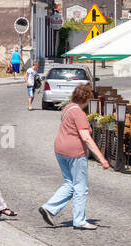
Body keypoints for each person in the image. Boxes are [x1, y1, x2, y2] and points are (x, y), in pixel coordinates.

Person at [39, 84, 109, 230]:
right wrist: (101, 158)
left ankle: (49, 208)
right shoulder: (79, 113)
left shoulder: (68, 108)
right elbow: (86, 138)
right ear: (86, 98)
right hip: (75, 152)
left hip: (60, 149)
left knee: (70, 183)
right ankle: (79, 220)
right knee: (80, 187)